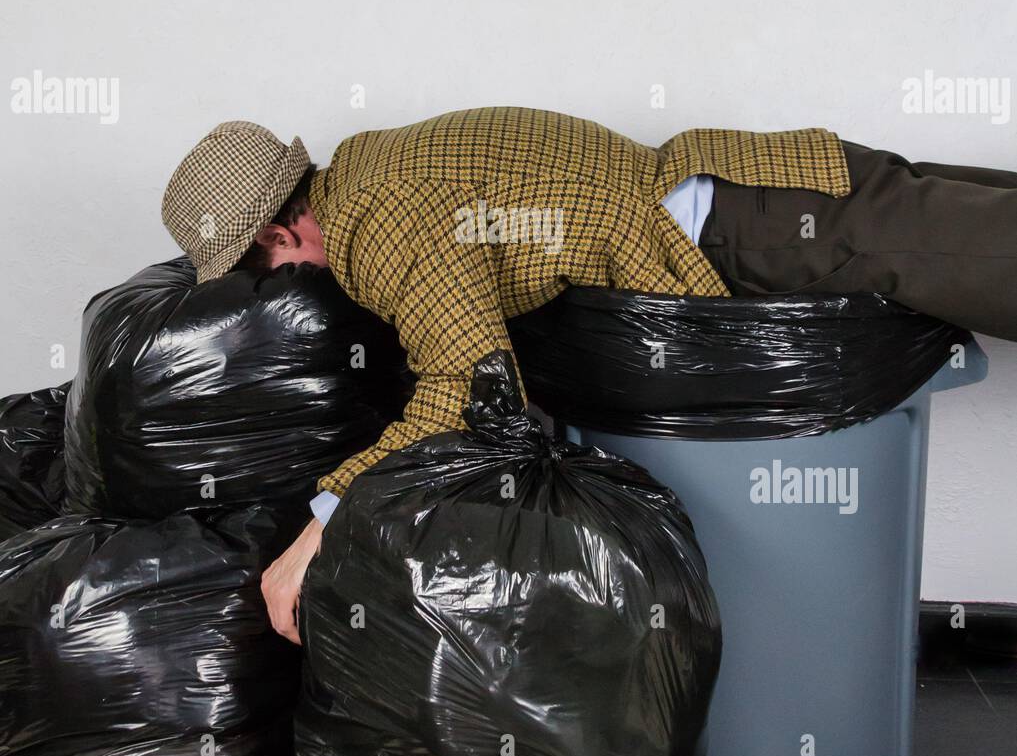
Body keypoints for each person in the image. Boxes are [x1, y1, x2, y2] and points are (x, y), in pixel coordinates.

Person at [161, 107, 1017, 642]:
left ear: (276, 237)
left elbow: (468, 382)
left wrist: (319, 524)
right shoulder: (374, 164)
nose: (279, 287)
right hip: (764, 195)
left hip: (764, 231)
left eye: (261, 271)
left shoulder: (375, 224)